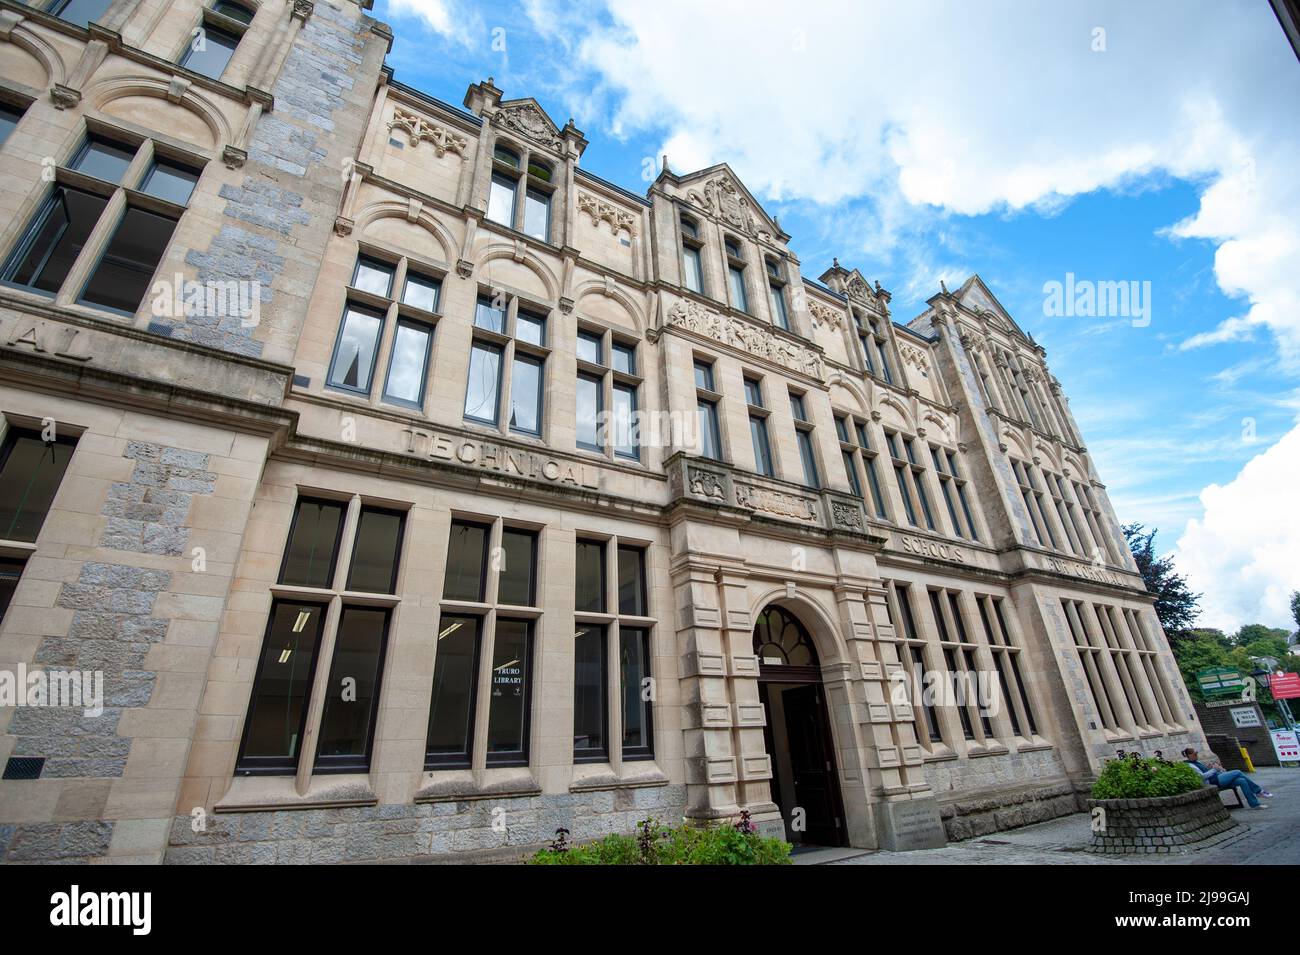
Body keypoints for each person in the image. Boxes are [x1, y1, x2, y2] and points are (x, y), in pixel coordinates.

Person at [1182, 747, 1273, 809]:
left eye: (1196, 754)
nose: (1196, 756)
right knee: (1237, 772)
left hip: (1216, 778)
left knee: (1242, 781)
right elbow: (1202, 777)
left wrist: (1215, 768)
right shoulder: (1190, 765)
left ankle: (1255, 804)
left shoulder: (1197, 762)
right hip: (1212, 782)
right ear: (1188, 756)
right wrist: (1214, 769)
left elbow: (1207, 771)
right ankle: (1258, 791)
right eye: (1194, 754)